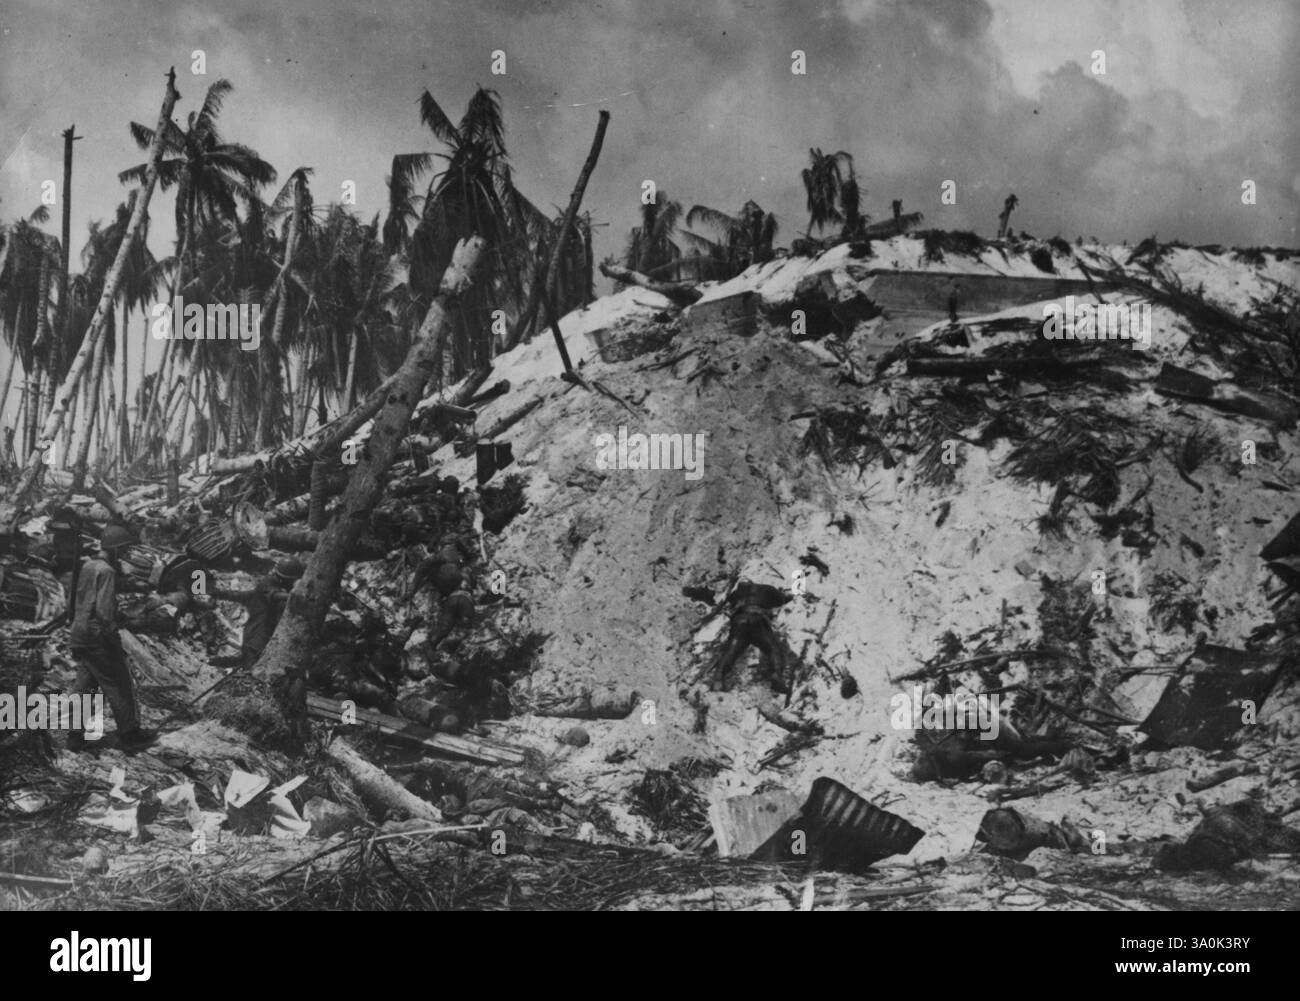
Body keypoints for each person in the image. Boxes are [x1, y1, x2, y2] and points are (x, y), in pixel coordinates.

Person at [67, 525, 156, 752]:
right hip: (98, 636)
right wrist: (114, 633)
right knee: (119, 683)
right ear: (118, 550)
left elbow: (77, 600)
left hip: (80, 633)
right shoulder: (107, 571)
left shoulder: (88, 565)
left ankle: (74, 736)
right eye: (124, 549)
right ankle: (129, 734)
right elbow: (105, 612)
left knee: (85, 683)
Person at [212, 558, 305, 668]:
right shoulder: (267, 583)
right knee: (250, 667)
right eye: (292, 580)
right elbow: (273, 594)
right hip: (256, 640)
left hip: (267, 639)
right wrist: (291, 596)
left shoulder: (281, 586)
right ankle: (215, 663)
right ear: (283, 578)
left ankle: (220, 662)